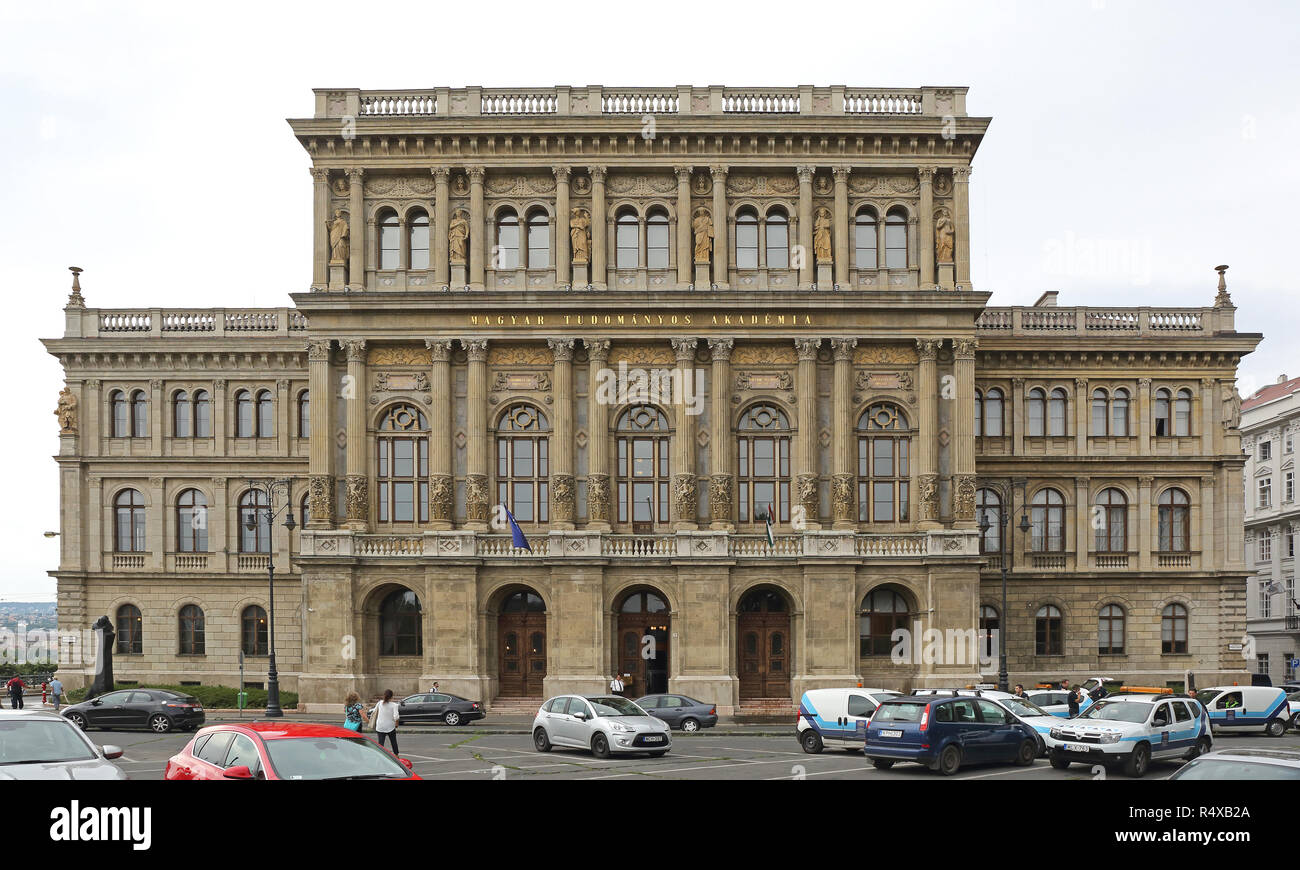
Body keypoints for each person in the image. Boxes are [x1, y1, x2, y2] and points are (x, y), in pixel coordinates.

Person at [371, 689, 401, 755]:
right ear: (392, 696)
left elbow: (374, 711)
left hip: (380, 726)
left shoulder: (379, 703)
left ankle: (380, 755)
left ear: (384, 695)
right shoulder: (394, 705)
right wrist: (397, 723)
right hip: (390, 726)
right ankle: (396, 755)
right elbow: (396, 717)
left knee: (381, 743)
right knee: (393, 741)